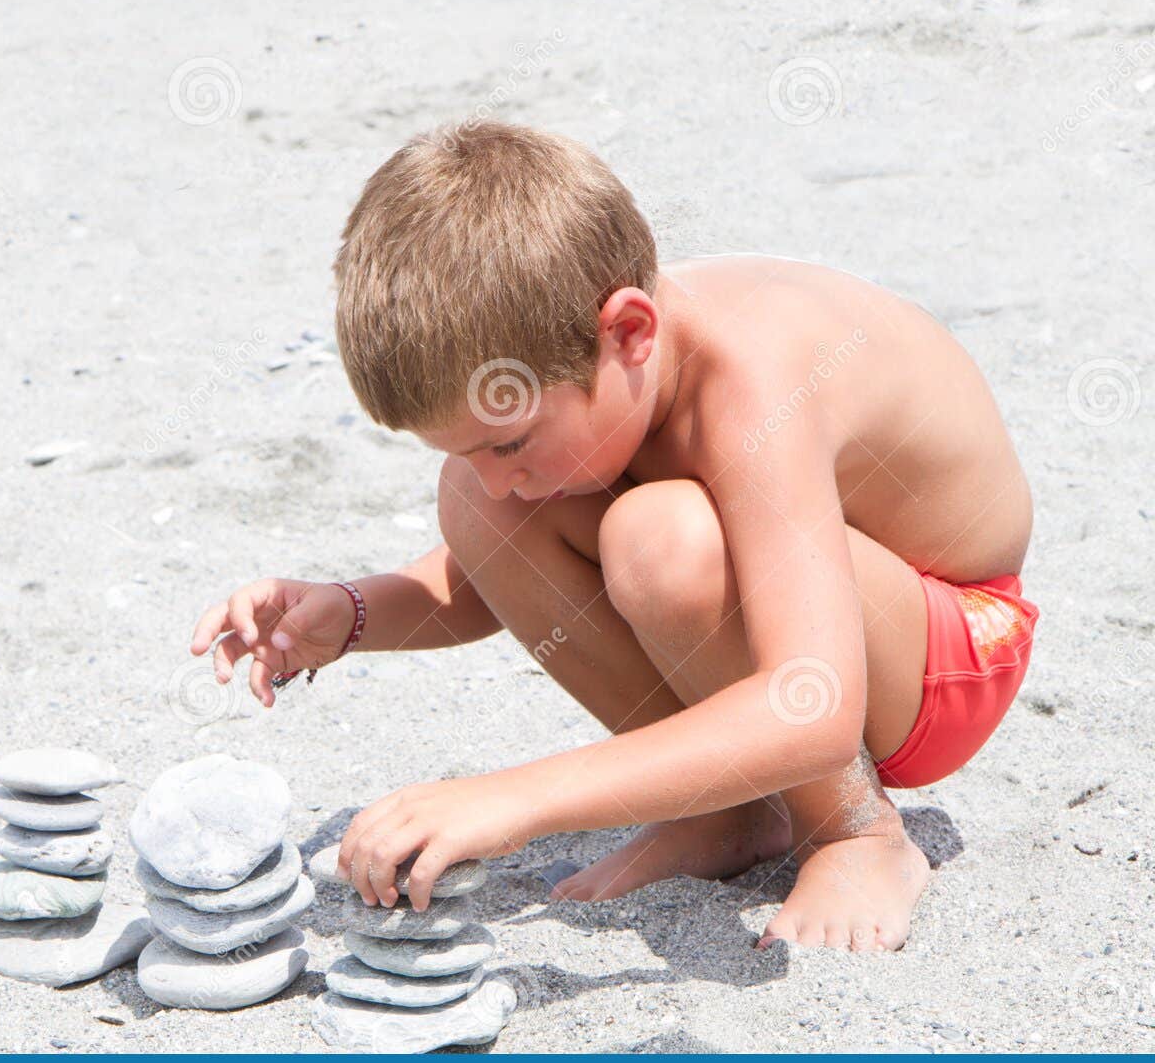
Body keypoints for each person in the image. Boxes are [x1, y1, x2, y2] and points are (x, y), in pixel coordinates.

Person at [188, 121, 1037, 952]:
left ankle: (854, 831)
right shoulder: (592, 363)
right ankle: (731, 805)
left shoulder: (752, 380)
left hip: (951, 645)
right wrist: (351, 612)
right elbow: (493, 571)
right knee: (492, 511)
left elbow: (811, 705)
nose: (494, 473)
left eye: (510, 442)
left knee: (662, 537)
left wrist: (519, 797)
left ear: (629, 332)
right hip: (823, 602)